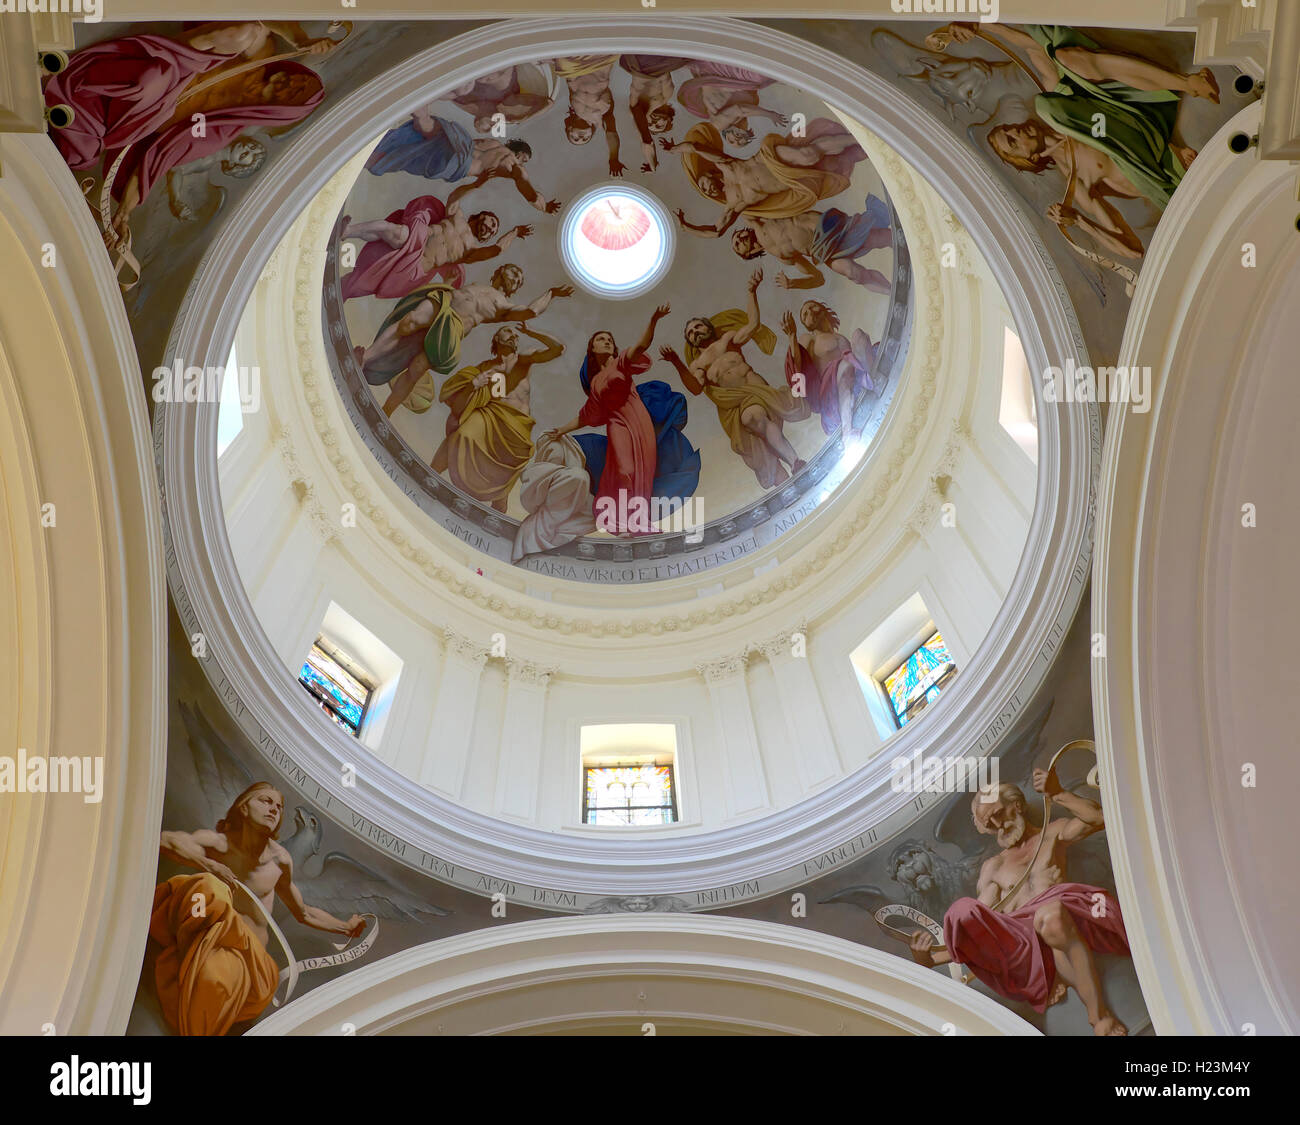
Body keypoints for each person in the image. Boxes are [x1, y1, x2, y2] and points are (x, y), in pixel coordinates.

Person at [44, 21, 335, 252]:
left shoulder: (217, 128)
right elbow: (260, 16)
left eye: (296, 91)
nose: (291, 82)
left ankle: (76, 111)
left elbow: (160, 155)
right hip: (175, 63)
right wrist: (299, 38)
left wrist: (125, 212)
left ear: (279, 110)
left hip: (143, 117)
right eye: (300, 78)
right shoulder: (260, 56)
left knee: (92, 145)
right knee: (240, 34)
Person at [932, 22, 1218, 256]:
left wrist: (981, 27)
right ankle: (1170, 156)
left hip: (1140, 118)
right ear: (1032, 159)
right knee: (1048, 105)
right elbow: (1133, 250)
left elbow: (1033, 46)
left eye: (1009, 129)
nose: (1015, 132)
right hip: (1157, 169)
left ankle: (1188, 83)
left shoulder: (1066, 111)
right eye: (1012, 142)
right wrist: (1079, 221)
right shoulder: (1075, 179)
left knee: (1066, 58)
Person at [907, 770, 1132, 1036]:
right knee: (961, 909)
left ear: (1017, 804)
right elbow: (977, 926)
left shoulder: (1052, 833)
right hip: (1021, 943)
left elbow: (1099, 818)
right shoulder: (994, 867)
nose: (998, 826)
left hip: (1061, 917)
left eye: (999, 814)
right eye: (989, 824)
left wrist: (1057, 792)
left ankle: (1099, 1017)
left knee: (1050, 915)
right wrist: (930, 957)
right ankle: (1048, 975)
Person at [152, 782, 365, 1036]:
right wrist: (210, 866)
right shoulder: (218, 843)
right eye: (265, 801)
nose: (274, 810)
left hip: (246, 959)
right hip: (204, 934)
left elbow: (304, 912)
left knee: (214, 978)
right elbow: (165, 840)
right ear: (243, 807)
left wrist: (345, 927)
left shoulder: (280, 861)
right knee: (208, 887)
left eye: (279, 807)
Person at [659, 270, 811, 489]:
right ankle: (787, 479)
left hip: (754, 386)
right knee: (758, 434)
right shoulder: (698, 364)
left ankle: (795, 462)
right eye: (690, 333)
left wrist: (751, 292)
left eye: (697, 326)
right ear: (690, 342)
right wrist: (676, 361)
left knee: (755, 418)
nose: (695, 332)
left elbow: (752, 325)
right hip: (734, 404)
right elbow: (694, 388)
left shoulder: (726, 340)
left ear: (708, 326)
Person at [355, 264, 573, 414]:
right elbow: (457, 290)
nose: (515, 276)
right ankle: (365, 357)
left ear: (515, 289)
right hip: (445, 302)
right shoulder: (478, 284)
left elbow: (531, 312)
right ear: (500, 271)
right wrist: (448, 281)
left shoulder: (504, 307)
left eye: (518, 280)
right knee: (408, 321)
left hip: (454, 327)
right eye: (513, 271)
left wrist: (551, 293)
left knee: (417, 367)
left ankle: (387, 411)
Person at [544, 306, 673, 535]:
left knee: (643, 472)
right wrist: (561, 430)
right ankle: (621, 519)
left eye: (609, 340)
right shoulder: (595, 383)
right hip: (618, 423)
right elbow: (587, 415)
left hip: (640, 421)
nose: (606, 342)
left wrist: (654, 320)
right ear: (592, 348)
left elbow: (642, 345)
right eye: (600, 339)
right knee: (625, 470)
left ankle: (638, 521)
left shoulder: (621, 361)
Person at [431, 325, 563, 511]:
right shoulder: (483, 368)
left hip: (517, 424)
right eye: (508, 331)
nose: (514, 336)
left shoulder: (523, 360)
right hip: (490, 415)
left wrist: (531, 332)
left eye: (516, 335)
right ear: (496, 338)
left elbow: (557, 349)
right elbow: (459, 406)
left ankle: (498, 507)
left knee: (507, 468)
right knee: (461, 434)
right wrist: (473, 385)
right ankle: (431, 474)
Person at [339, 177, 530, 301]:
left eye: (494, 231)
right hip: (417, 239)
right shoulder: (457, 217)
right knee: (394, 231)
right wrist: (475, 184)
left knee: (370, 281)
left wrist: (514, 232)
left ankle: (346, 290)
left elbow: (496, 250)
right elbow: (454, 196)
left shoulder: (471, 251)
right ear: (481, 216)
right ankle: (348, 231)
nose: (491, 229)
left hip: (418, 265)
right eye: (492, 222)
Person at [666, 118, 864, 230]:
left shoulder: (726, 166)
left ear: (709, 174)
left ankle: (856, 137)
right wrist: (686, 226)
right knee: (834, 164)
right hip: (786, 180)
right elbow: (717, 230)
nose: (707, 190)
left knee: (808, 155)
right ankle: (868, 150)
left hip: (770, 158)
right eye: (705, 192)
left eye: (702, 184)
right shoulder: (734, 204)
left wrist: (673, 149)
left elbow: (694, 147)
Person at [365, 109, 561, 214]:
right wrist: (542, 205)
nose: (522, 163)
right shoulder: (512, 164)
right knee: (409, 160)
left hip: (459, 145)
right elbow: (524, 184)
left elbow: (470, 143)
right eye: (524, 159)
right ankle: (375, 159)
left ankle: (421, 118)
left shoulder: (493, 143)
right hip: (458, 166)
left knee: (425, 137)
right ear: (519, 155)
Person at [686, 194, 892, 293]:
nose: (739, 238)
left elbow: (735, 204)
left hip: (827, 228)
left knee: (877, 238)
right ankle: (890, 291)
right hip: (824, 252)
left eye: (737, 236)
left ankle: (902, 242)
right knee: (853, 273)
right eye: (738, 245)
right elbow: (817, 277)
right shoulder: (783, 257)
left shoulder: (759, 220)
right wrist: (793, 283)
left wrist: (705, 229)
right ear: (748, 255)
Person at [782, 300, 878, 438]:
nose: (810, 312)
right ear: (805, 325)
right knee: (844, 365)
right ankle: (847, 432)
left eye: (812, 306)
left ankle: (874, 380)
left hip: (855, 377)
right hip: (831, 393)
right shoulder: (809, 339)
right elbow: (797, 368)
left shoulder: (838, 337)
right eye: (805, 315)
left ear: (821, 307)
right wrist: (792, 336)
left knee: (859, 336)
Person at [675, 60, 787, 149]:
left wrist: (770, 114)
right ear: (749, 134)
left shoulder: (718, 125)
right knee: (765, 77)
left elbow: (740, 109)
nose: (737, 140)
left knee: (760, 77)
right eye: (741, 143)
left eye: (731, 141)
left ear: (725, 136)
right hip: (727, 77)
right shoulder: (740, 118)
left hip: (717, 73)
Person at [551, 54, 626, 176]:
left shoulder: (575, 108)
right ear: (592, 132)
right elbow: (611, 133)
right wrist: (613, 158)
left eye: (575, 138)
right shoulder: (604, 114)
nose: (581, 137)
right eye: (585, 138)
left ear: (569, 129)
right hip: (600, 64)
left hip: (574, 68)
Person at [620, 55, 690, 172]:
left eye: (650, 124)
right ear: (668, 119)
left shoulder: (639, 108)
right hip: (662, 59)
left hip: (642, 64)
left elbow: (647, 141)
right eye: (659, 125)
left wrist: (652, 164)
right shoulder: (666, 96)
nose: (654, 122)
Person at [448, 64, 555, 133]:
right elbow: (547, 103)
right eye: (492, 124)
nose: (492, 121)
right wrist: (517, 119)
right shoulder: (505, 95)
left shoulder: (462, 100)